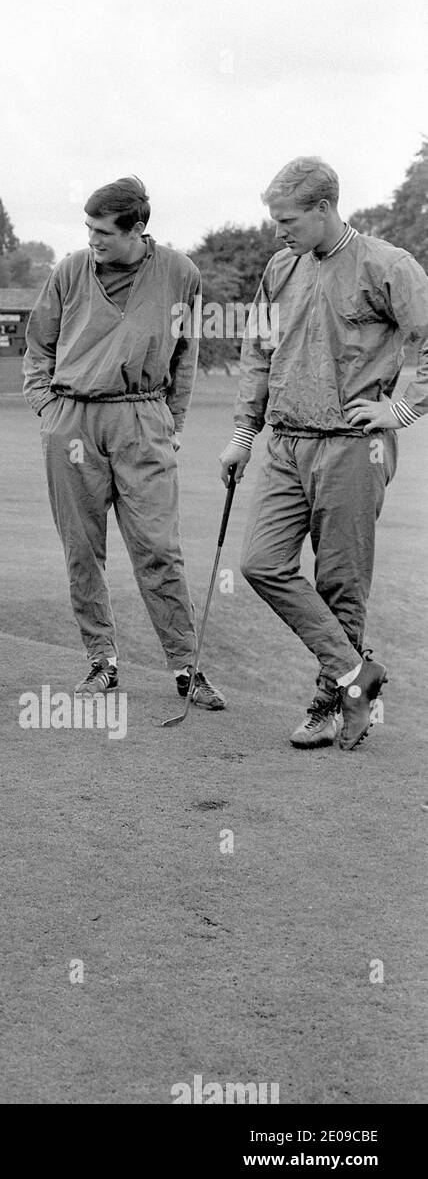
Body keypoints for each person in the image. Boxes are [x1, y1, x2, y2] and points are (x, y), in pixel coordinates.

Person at [219, 157, 428, 751]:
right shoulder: (280, 267)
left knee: (340, 583)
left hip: (352, 447)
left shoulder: (388, 265)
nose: (278, 232)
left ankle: (331, 704)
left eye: (287, 220)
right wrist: (242, 438)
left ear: (324, 208)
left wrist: (402, 411)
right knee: (261, 563)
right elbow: (260, 353)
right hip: (285, 444)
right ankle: (356, 673)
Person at [23, 175, 226, 711]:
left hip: (142, 419)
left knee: (159, 548)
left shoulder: (181, 272)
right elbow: (38, 345)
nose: (93, 240)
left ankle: (186, 667)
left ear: (137, 229)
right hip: (72, 421)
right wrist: (48, 408)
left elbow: (187, 356)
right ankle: (101, 661)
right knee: (82, 549)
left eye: (103, 232)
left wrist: (172, 422)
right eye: (87, 229)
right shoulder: (69, 269)